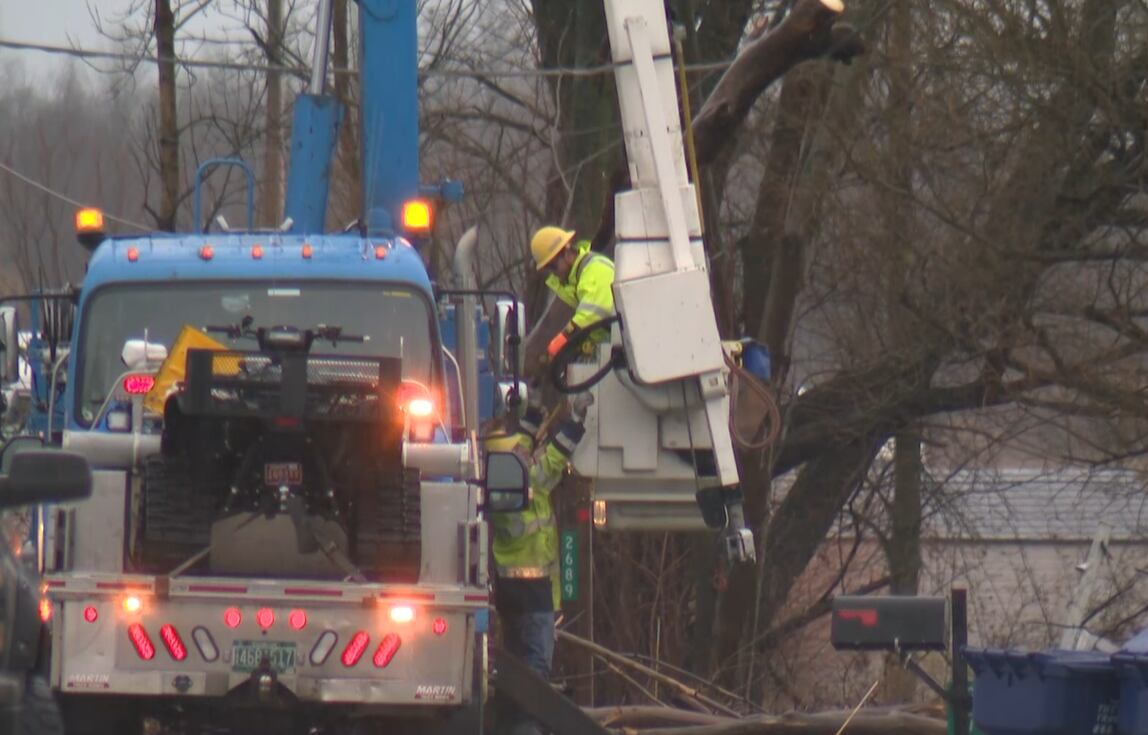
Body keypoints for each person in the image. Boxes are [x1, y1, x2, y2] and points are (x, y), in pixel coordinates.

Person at [484, 393, 593, 735]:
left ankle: (509, 726)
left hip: (510, 588)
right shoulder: (526, 478)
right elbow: (551, 464)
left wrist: (533, 419)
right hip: (534, 593)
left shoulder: (495, 465)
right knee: (535, 672)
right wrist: (575, 423)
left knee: (516, 671)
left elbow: (528, 447)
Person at [529, 226, 616, 360]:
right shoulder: (577, 278)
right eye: (547, 268)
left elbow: (592, 314)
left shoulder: (595, 269)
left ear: (566, 253)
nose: (553, 273)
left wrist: (563, 339)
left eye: (552, 266)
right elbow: (598, 326)